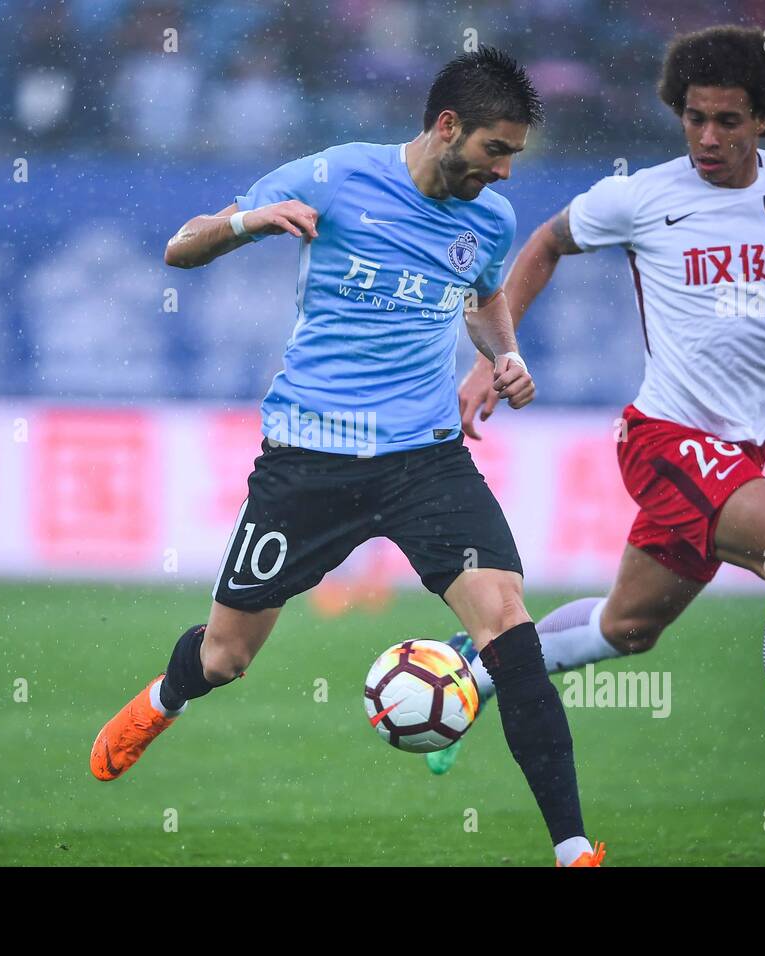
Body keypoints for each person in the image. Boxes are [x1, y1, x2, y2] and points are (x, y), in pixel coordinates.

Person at [89, 48, 605, 867]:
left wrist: (502, 357)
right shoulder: (332, 176)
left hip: (425, 459)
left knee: (510, 626)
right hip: (310, 458)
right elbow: (179, 249)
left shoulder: (487, 221)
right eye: (495, 150)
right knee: (227, 657)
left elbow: (484, 298)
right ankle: (166, 696)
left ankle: (574, 848)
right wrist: (248, 222)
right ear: (447, 127)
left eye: (514, 154)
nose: (504, 172)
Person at [432, 26, 765, 854]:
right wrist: (497, 356)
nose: (708, 138)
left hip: (741, 451)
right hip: (665, 439)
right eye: (694, 119)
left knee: (626, 629)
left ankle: (475, 669)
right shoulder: (642, 196)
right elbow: (545, 241)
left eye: (728, 121)